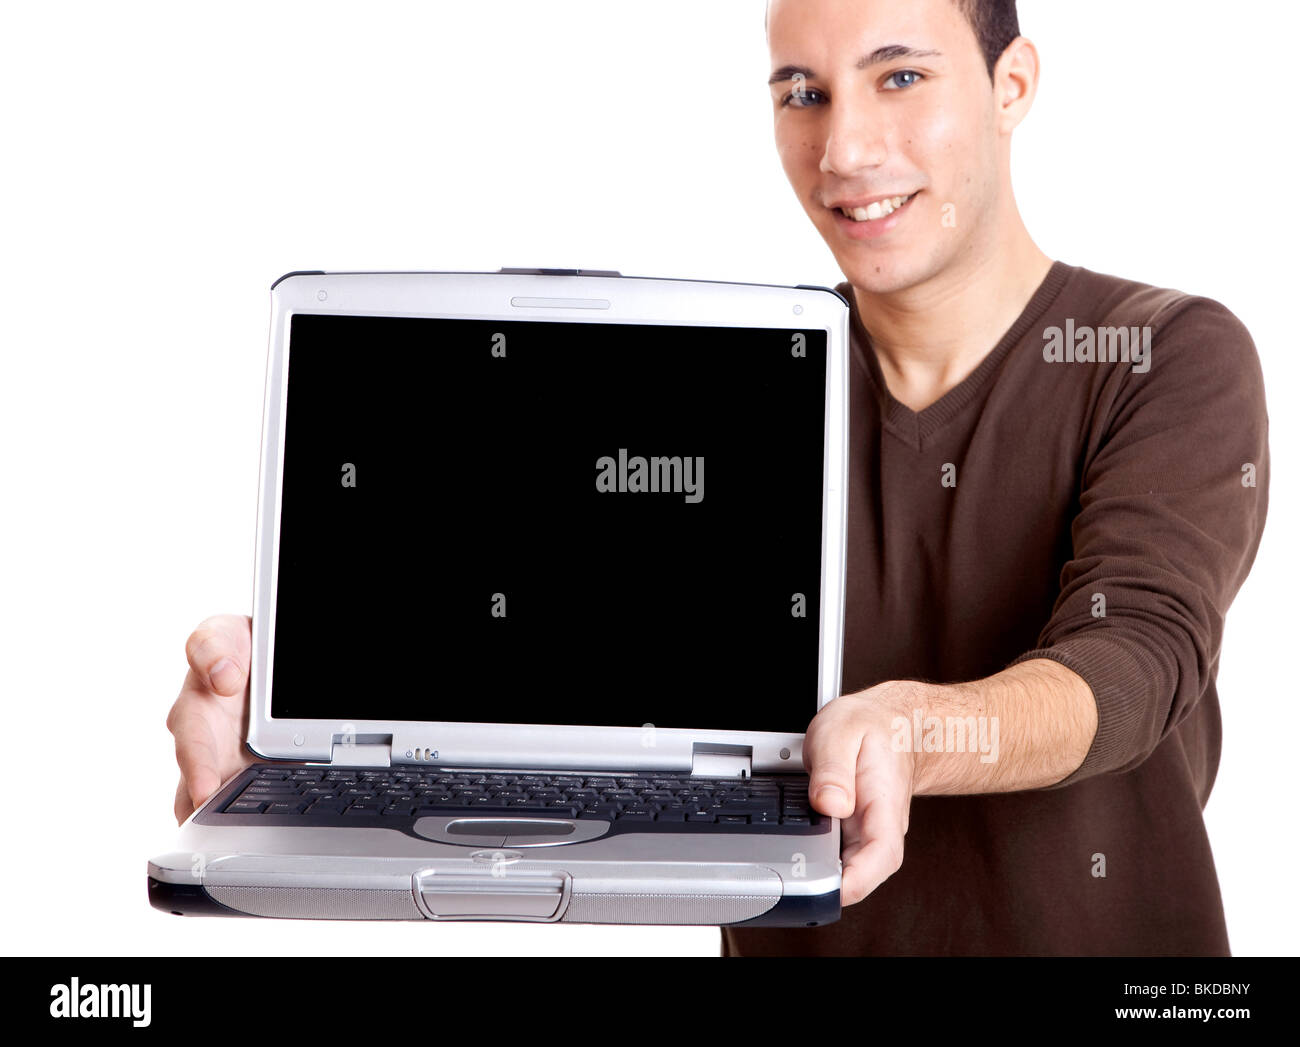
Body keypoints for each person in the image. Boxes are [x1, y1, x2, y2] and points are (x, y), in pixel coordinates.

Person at [168, 0, 1269, 955]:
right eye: (802, 91)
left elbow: (1137, 660)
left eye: (900, 76)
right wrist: (310, 703)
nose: (843, 147)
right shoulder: (742, 387)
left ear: (1010, 84)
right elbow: (554, 626)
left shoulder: (1160, 352)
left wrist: (910, 731)